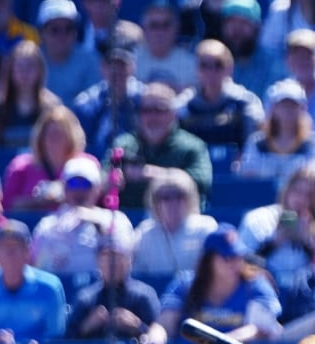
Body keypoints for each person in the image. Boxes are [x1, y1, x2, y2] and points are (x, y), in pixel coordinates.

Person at [158, 224, 281, 344]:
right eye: (227, 258)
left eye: (238, 256)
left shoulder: (255, 285)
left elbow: (261, 330)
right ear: (209, 260)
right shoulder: (185, 284)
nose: (235, 263)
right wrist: (155, 336)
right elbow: (165, 325)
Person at [0, 220, 66, 344]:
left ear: (28, 251)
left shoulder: (50, 287)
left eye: (17, 246)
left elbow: (57, 339)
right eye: (4, 246)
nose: (10, 252)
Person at [112, 83, 213, 211]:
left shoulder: (191, 146)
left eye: (159, 110)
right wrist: (114, 179)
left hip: (180, 221)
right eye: (146, 111)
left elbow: (202, 182)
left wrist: (150, 173)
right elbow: (101, 179)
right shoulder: (123, 144)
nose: (152, 117)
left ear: (173, 114)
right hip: (129, 219)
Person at [30, 156, 135, 279]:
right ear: (64, 188)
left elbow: (125, 257)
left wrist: (100, 226)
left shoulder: (115, 219)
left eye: (85, 184)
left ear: (97, 189)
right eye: (73, 184)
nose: (79, 191)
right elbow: (38, 268)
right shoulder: (48, 224)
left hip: (103, 295)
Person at [68, 225, 167, 344]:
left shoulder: (143, 295)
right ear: (98, 261)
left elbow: (160, 333)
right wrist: (86, 327)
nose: (112, 263)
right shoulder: (86, 299)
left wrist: (137, 326)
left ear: (129, 261)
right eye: (106, 257)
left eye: (117, 257)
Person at [239, 162, 315, 286]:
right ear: (287, 190)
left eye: (310, 195)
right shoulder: (259, 219)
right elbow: (239, 266)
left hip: (310, 294)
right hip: (263, 291)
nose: (302, 200)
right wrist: (273, 244)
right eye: (297, 191)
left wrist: (306, 244)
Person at [177, 40, 265, 152]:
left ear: (230, 68)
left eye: (218, 65)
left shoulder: (245, 102)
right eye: (204, 65)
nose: (211, 71)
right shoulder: (184, 106)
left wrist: (244, 158)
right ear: (196, 69)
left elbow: (256, 139)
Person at [237, 78, 315, 183]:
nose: (288, 110)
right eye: (283, 105)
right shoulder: (256, 142)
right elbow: (248, 174)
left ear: (303, 109)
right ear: (273, 108)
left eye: (293, 105)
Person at [131, 169, 217, 278]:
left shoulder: (205, 228)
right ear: (155, 202)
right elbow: (136, 276)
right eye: (165, 197)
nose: (173, 203)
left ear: (190, 199)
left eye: (179, 196)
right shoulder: (144, 233)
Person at [0, 102, 81, 212]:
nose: (54, 140)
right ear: (41, 138)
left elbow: (93, 199)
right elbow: (7, 205)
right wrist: (37, 201)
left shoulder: (84, 165)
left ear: (70, 138)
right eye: (50, 134)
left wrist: (64, 193)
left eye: (59, 134)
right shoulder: (21, 167)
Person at [71, 40, 144, 157]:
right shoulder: (86, 104)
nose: (117, 71)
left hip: (136, 165)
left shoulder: (144, 99)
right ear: (103, 67)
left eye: (122, 65)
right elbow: (80, 145)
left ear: (132, 67)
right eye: (112, 65)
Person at [37, 0, 99, 104]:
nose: (62, 35)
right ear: (41, 33)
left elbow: (95, 105)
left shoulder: (91, 60)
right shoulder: (32, 60)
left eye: (68, 28)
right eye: (54, 30)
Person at [136, 0, 196, 91]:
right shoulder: (132, 61)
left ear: (176, 29)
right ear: (144, 29)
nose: (160, 32)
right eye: (154, 25)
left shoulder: (191, 64)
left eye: (166, 25)